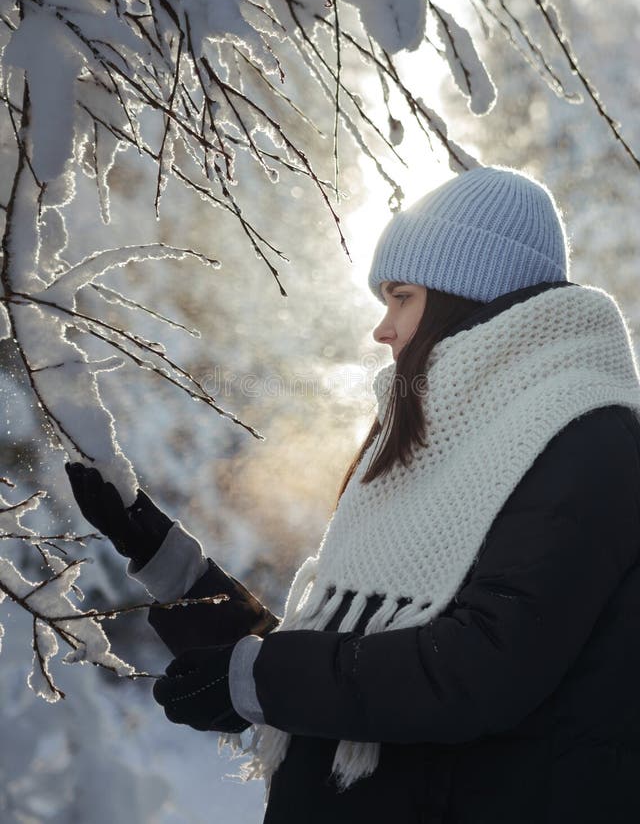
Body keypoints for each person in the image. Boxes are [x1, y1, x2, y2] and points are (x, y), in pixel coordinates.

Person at [66, 166, 640, 824]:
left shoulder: (586, 440)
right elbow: (343, 656)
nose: (383, 328)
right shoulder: (437, 443)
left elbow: (476, 669)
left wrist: (260, 680)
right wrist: (168, 561)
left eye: (401, 297)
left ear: (470, 293)